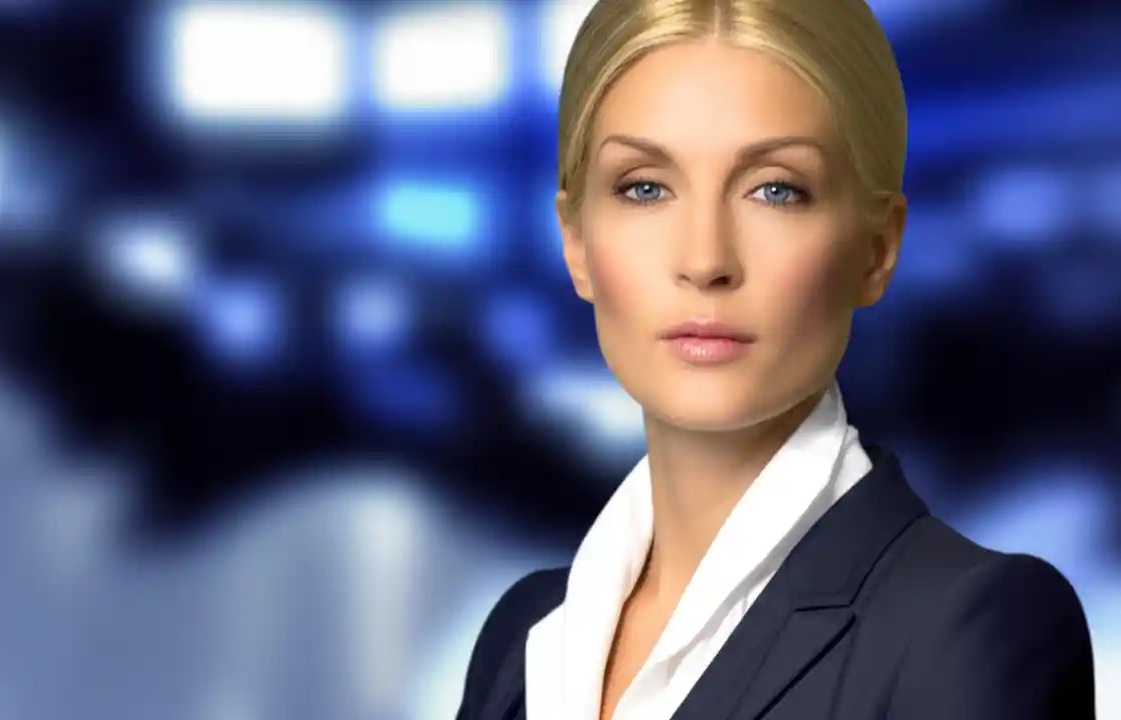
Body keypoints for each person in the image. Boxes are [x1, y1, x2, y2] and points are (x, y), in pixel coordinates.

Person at [454, 1, 1097, 718]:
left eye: (776, 190)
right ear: (576, 245)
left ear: (876, 251)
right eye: (644, 188)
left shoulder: (972, 630)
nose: (705, 259)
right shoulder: (524, 637)